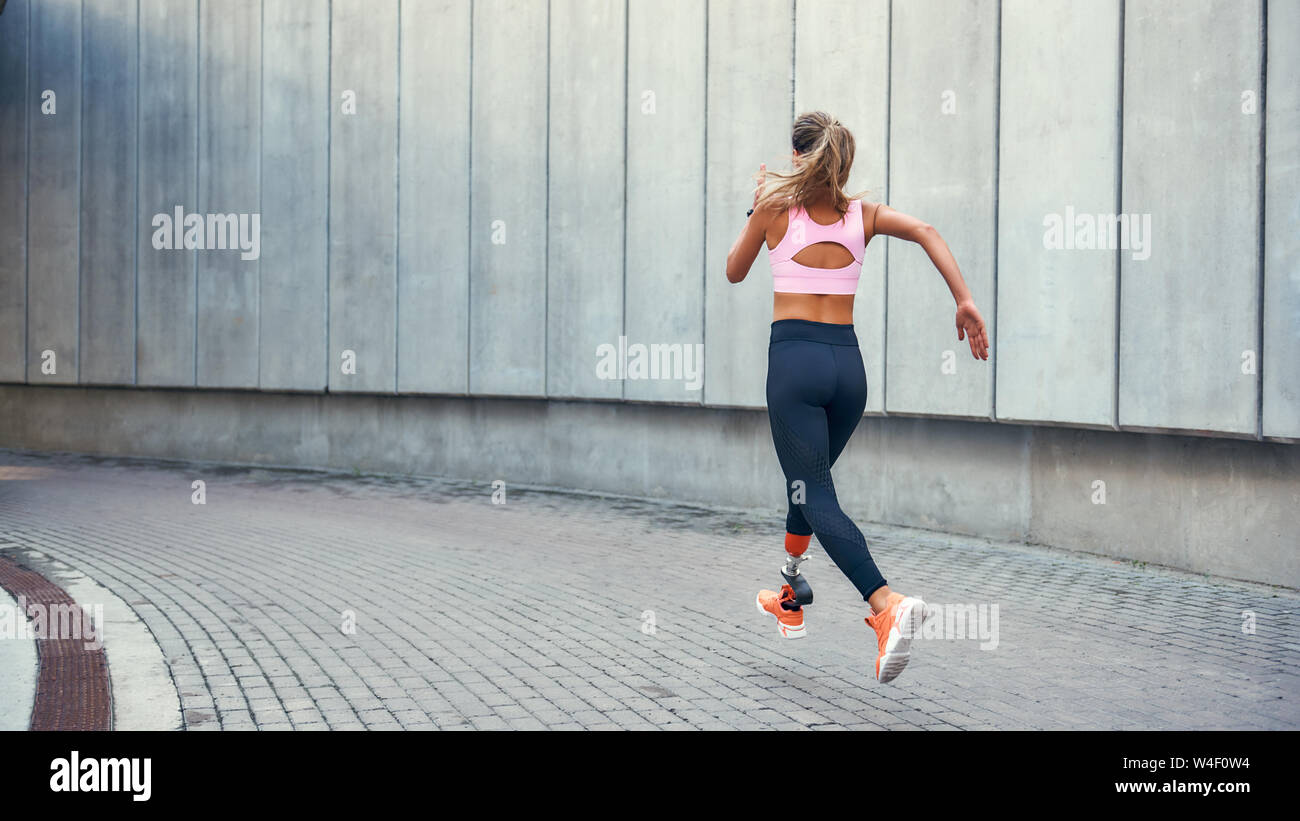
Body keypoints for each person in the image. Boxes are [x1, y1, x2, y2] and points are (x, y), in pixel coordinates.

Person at [724, 111, 989, 683]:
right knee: (808, 482)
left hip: (794, 364)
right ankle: (791, 592)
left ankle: (884, 604)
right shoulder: (863, 217)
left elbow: (734, 272)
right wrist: (964, 300)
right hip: (848, 371)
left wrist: (757, 207)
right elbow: (928, 232)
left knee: (814, 490)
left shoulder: (774, 211)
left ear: (799, 157)